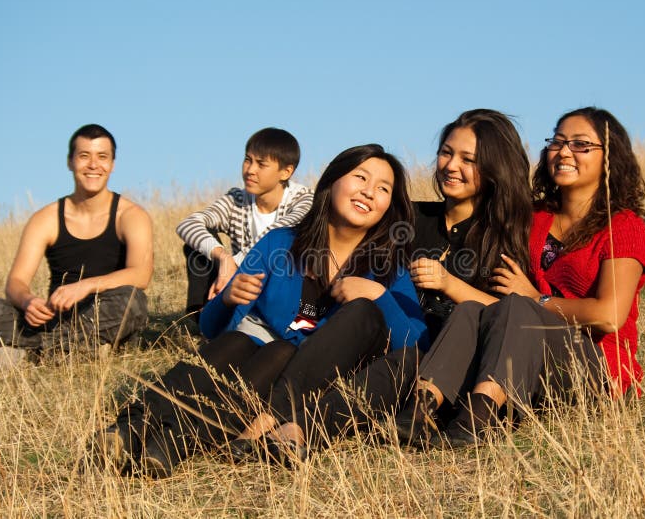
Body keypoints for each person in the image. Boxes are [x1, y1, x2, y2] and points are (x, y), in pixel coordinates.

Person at [91, 144, 427, 477]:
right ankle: (131, 427)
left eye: (383, 189)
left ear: (389, 205)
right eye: (360, 178)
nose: (369, 192)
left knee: (280, 350)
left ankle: (172, 442)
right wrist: (226, 301)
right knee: (237, 344)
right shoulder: (281, 242)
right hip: (258, 362)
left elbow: (416, 344)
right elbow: (211, 330)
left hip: (315, 384)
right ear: (332, 181)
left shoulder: (390, 265)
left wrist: (378, 295)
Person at [265, 109, 534, 457]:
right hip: (377, 344)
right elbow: (343, 261)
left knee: (407, 361)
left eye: (469, 159)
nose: (452, 165)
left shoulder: (503, 238)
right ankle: (276, 418)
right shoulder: (409, 220)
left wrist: (450, 284)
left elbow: (509, 322)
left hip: (449, 372)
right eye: (447, 153)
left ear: (495, 168)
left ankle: (302, 427)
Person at [397, 106, 645, 448]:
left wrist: (537, 300)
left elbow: (609, 316)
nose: (563, 152)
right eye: (557, 142)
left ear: (611, 157)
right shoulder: (535, 219)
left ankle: (478, 416)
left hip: (596, 367)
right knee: (472, 310)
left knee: (517, 306)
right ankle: (420, 408)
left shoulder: (621, 226)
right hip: (530, 354)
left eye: (580, 145)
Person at [0, 124, 153, 367]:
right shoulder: (46, 218)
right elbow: (16, 282)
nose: (93, 165)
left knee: (133, 301)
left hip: (103, 313)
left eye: (102, 157)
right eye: (84, 156)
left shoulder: (131, 215)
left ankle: (31, 354)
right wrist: (28, 301)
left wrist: (85, 287)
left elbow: (141, 274)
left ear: (112, 165)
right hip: (55, 317)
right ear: (70, 162)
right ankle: (74, 350)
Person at [176, 127, 313, 321]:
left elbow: (270, 239)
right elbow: (188, 224)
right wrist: (223, 258)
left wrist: (234, 266)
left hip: (280, 286)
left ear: (286, 171)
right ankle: (203, 317)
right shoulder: (237, 199)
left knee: (277, 247)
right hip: (238, 281)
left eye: (261, 164)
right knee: (197, 247)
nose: (250, 170)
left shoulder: (304, 200)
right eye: (247, 160)